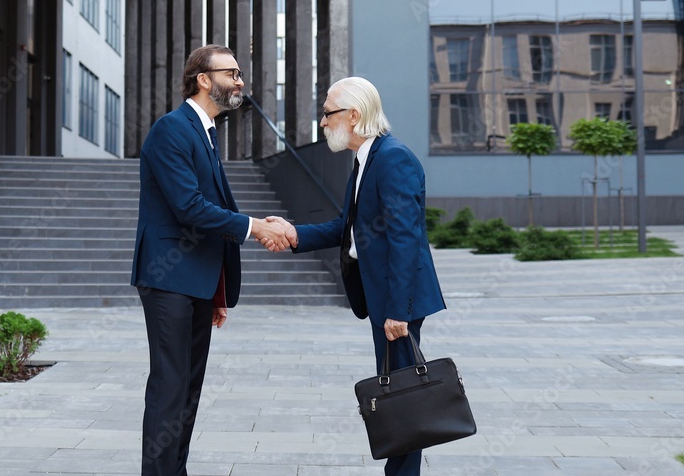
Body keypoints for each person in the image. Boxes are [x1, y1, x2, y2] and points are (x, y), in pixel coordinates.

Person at [266, 76, 447, 476]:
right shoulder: (367, 159)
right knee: (398, 393)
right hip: (382, 297)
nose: (323, 122)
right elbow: (347, 228)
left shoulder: (392, 158)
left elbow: (404, 238)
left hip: (397, 302)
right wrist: (294, 233)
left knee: (405, 396)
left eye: (328, 113)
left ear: (354, 114)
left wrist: (398, 311)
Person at [130, 44, 290, 475]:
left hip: (196, 281)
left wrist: (215, 290)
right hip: (169, 279)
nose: (240, 82)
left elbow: (204, 212)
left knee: (189, 389)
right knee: (170, 387)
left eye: (240, 74)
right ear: (203, 79)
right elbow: (190, 207)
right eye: (232, 73)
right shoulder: (172, 129)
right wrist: (256, 226)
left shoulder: (205, 130)